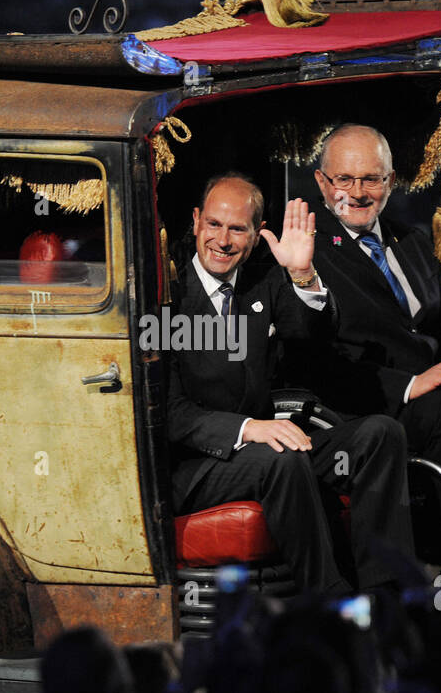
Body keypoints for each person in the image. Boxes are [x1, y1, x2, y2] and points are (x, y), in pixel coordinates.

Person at [166, 172, 417, 595]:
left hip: (273, 444)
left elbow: (315, 338)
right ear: (195, 221)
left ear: (256, 234)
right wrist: (251, 430)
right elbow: (173, 415)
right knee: (280, 457)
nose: (223, 241)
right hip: (198, 466)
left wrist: (303, 274)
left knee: (380, 433)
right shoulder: (167, 293)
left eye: (237, 229)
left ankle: (387, 593)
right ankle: (330, 599)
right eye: (213, 225)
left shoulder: (262, 280)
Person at [300, 124, 441, 572]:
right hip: (359, 402)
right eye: (344, 179)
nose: (358, 192)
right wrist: (410, 384)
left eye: (371, 179)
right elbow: (313, 358)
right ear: (322, 183)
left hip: (438, 391)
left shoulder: (414, 241)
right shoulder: (305, 250)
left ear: (390, 182)